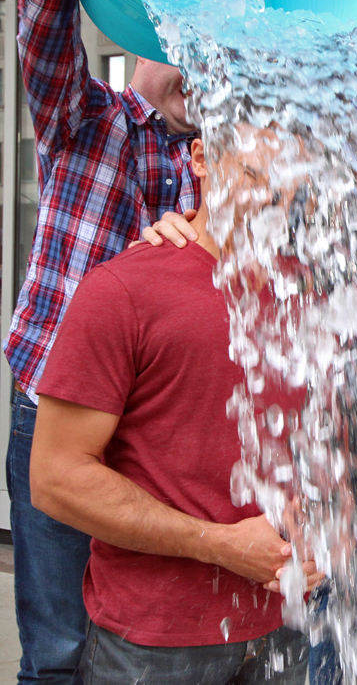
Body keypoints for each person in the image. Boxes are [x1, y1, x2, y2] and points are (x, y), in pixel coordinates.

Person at [5, 0, 357, 680]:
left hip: (182, 415)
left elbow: (327, 106)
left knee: (174, 601)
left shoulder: (232, 156)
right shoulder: (91, 124)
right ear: (141, 47)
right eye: (177, 49)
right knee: (58, 648)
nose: (196, 68)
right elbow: (46, 41)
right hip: (60, 401)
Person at [27, 131, 323, 684]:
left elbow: (330, 443)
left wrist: (335, 529)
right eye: (256, 171)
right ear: (202, 157)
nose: (275, 190)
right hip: (155, 642)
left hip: (284, 628)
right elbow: (54, 478)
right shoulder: (123, 290)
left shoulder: (310, 294)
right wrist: (220, 545)